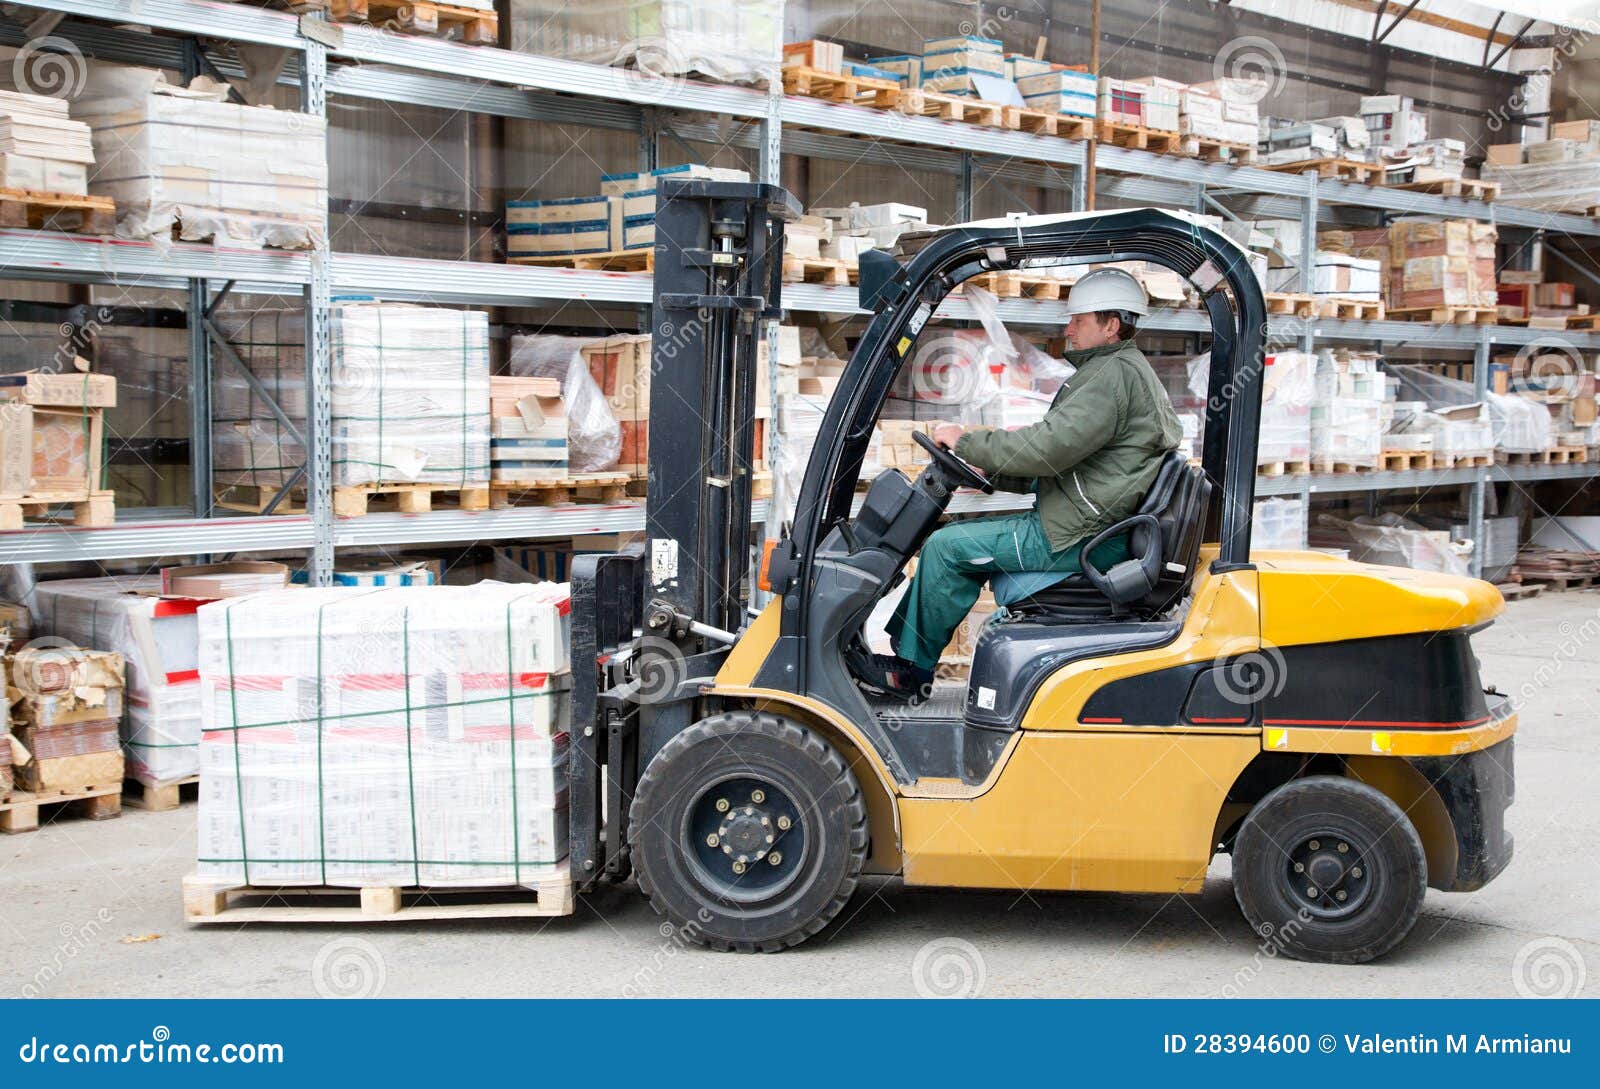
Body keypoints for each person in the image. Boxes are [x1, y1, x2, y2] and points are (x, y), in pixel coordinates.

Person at [864, 267, 1183, 700]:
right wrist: (992, 473)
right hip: (1090, 522)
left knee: (946, 548)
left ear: (1111, 325)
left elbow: (1048, 447)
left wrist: (968, 440)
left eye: (1079, 320)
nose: (1067, 329)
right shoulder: (1118, 371)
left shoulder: (1111, 378)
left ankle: (908, 673)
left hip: (1079, 535)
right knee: (954, 541)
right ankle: (909, 660)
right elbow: (1067, 459)